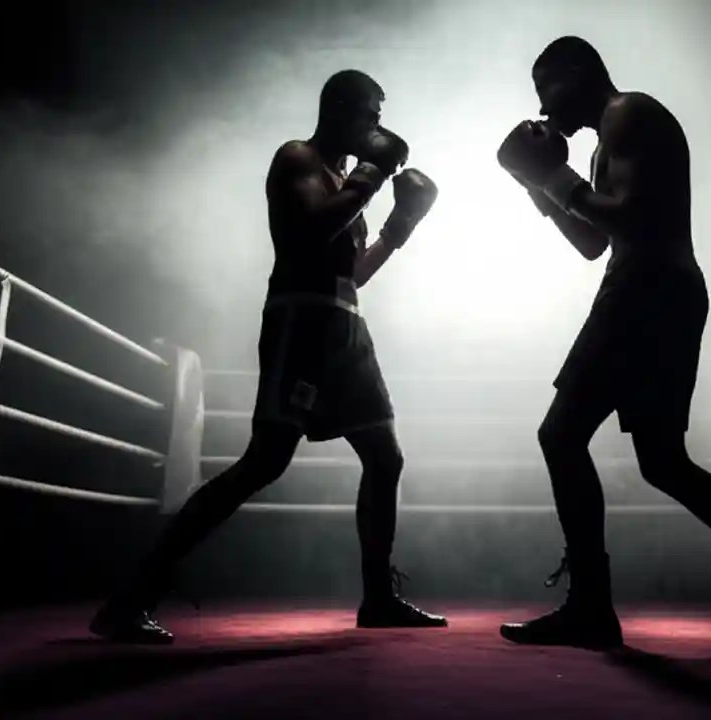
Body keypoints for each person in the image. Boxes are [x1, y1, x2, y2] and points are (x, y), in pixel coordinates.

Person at [496, 37, 711, 648]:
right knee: (663, 462)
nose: (542, 108)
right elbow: (591, 242)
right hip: (657, 289)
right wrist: (538, 188)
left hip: (645, 288)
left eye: (546, 86)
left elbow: (632, 220)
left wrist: (552, 175)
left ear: (578, 72)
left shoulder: (630, 113)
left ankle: (592, 606)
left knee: (561, 434)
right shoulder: (606, 140)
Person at [90, 69, 447, 643]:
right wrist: (373, 174)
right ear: (339, 109)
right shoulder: (298, 158)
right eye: (371, 114)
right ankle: (131, 597)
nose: (379, 127)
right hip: (300, 323)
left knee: (385, 457)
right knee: (265, 462)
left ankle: (379, 597)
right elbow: (309, 234)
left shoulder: (342, 178)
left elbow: (351, 273)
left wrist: (398, 229)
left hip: (346, 328)